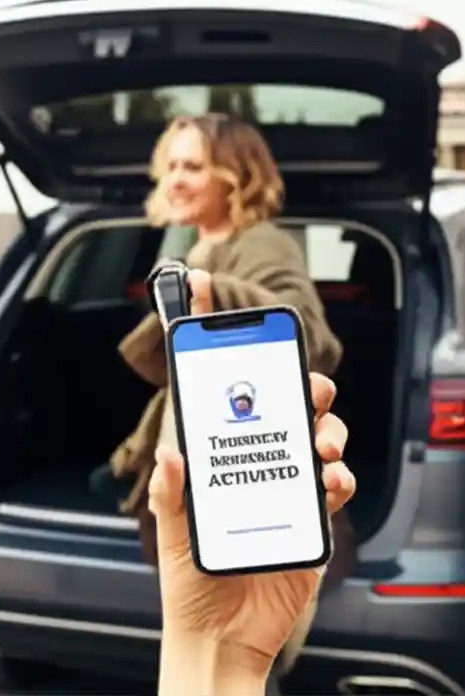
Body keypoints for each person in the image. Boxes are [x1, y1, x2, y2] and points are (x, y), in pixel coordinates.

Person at [89, 112, 355, 681]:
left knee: (241, 649)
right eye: (172, 166)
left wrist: (214, 295)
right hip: (187, 471)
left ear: (237, 177)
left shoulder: (262, 242)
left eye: (195, 166)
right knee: (202, 638)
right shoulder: (197, 244)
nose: (176, 179)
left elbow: (312, 335)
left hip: (231, 471)